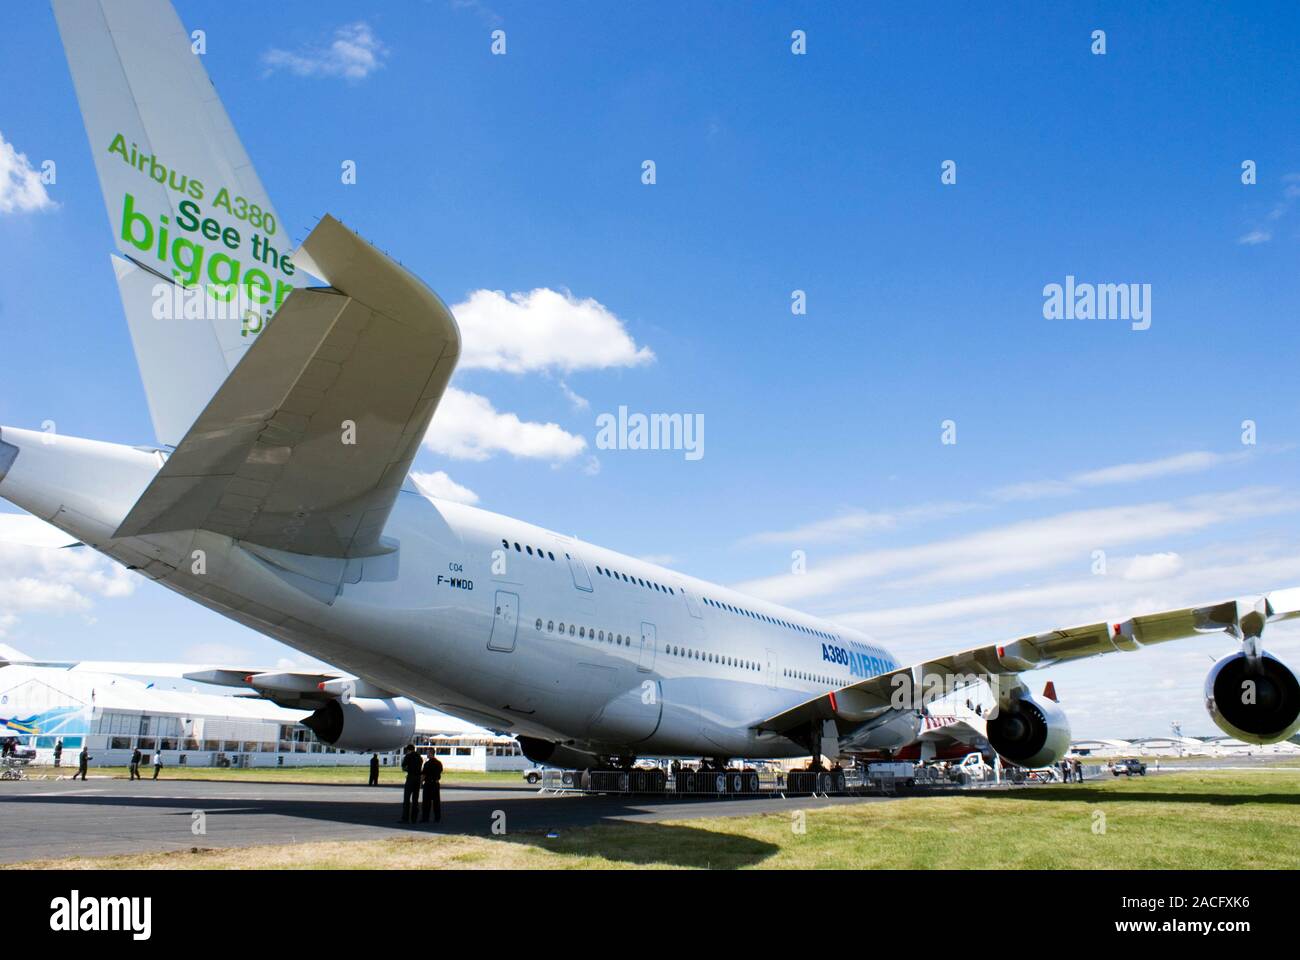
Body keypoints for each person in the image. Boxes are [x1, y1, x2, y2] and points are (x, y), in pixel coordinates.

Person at [399, 744, 422, 823]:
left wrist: (408, 769)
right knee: (415, 800)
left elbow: (403, 767)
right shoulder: (419, 757)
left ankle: (405, 818)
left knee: (407, 799)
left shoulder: (408, 756)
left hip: (410, 778)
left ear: (408, 750)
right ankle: (414, 818)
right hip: (418, 779)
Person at [420, 751, 443, 824]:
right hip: (436, 783)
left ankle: (425, 818)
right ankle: (437, 817)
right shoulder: (439, 763)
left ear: (431, 754)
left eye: (428, 753)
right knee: (436, 802)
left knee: (426, 802)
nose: (427, 754)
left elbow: (424, 775)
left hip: (428, 784)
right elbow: (440, 772)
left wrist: (421, 782)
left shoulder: (427, 764)